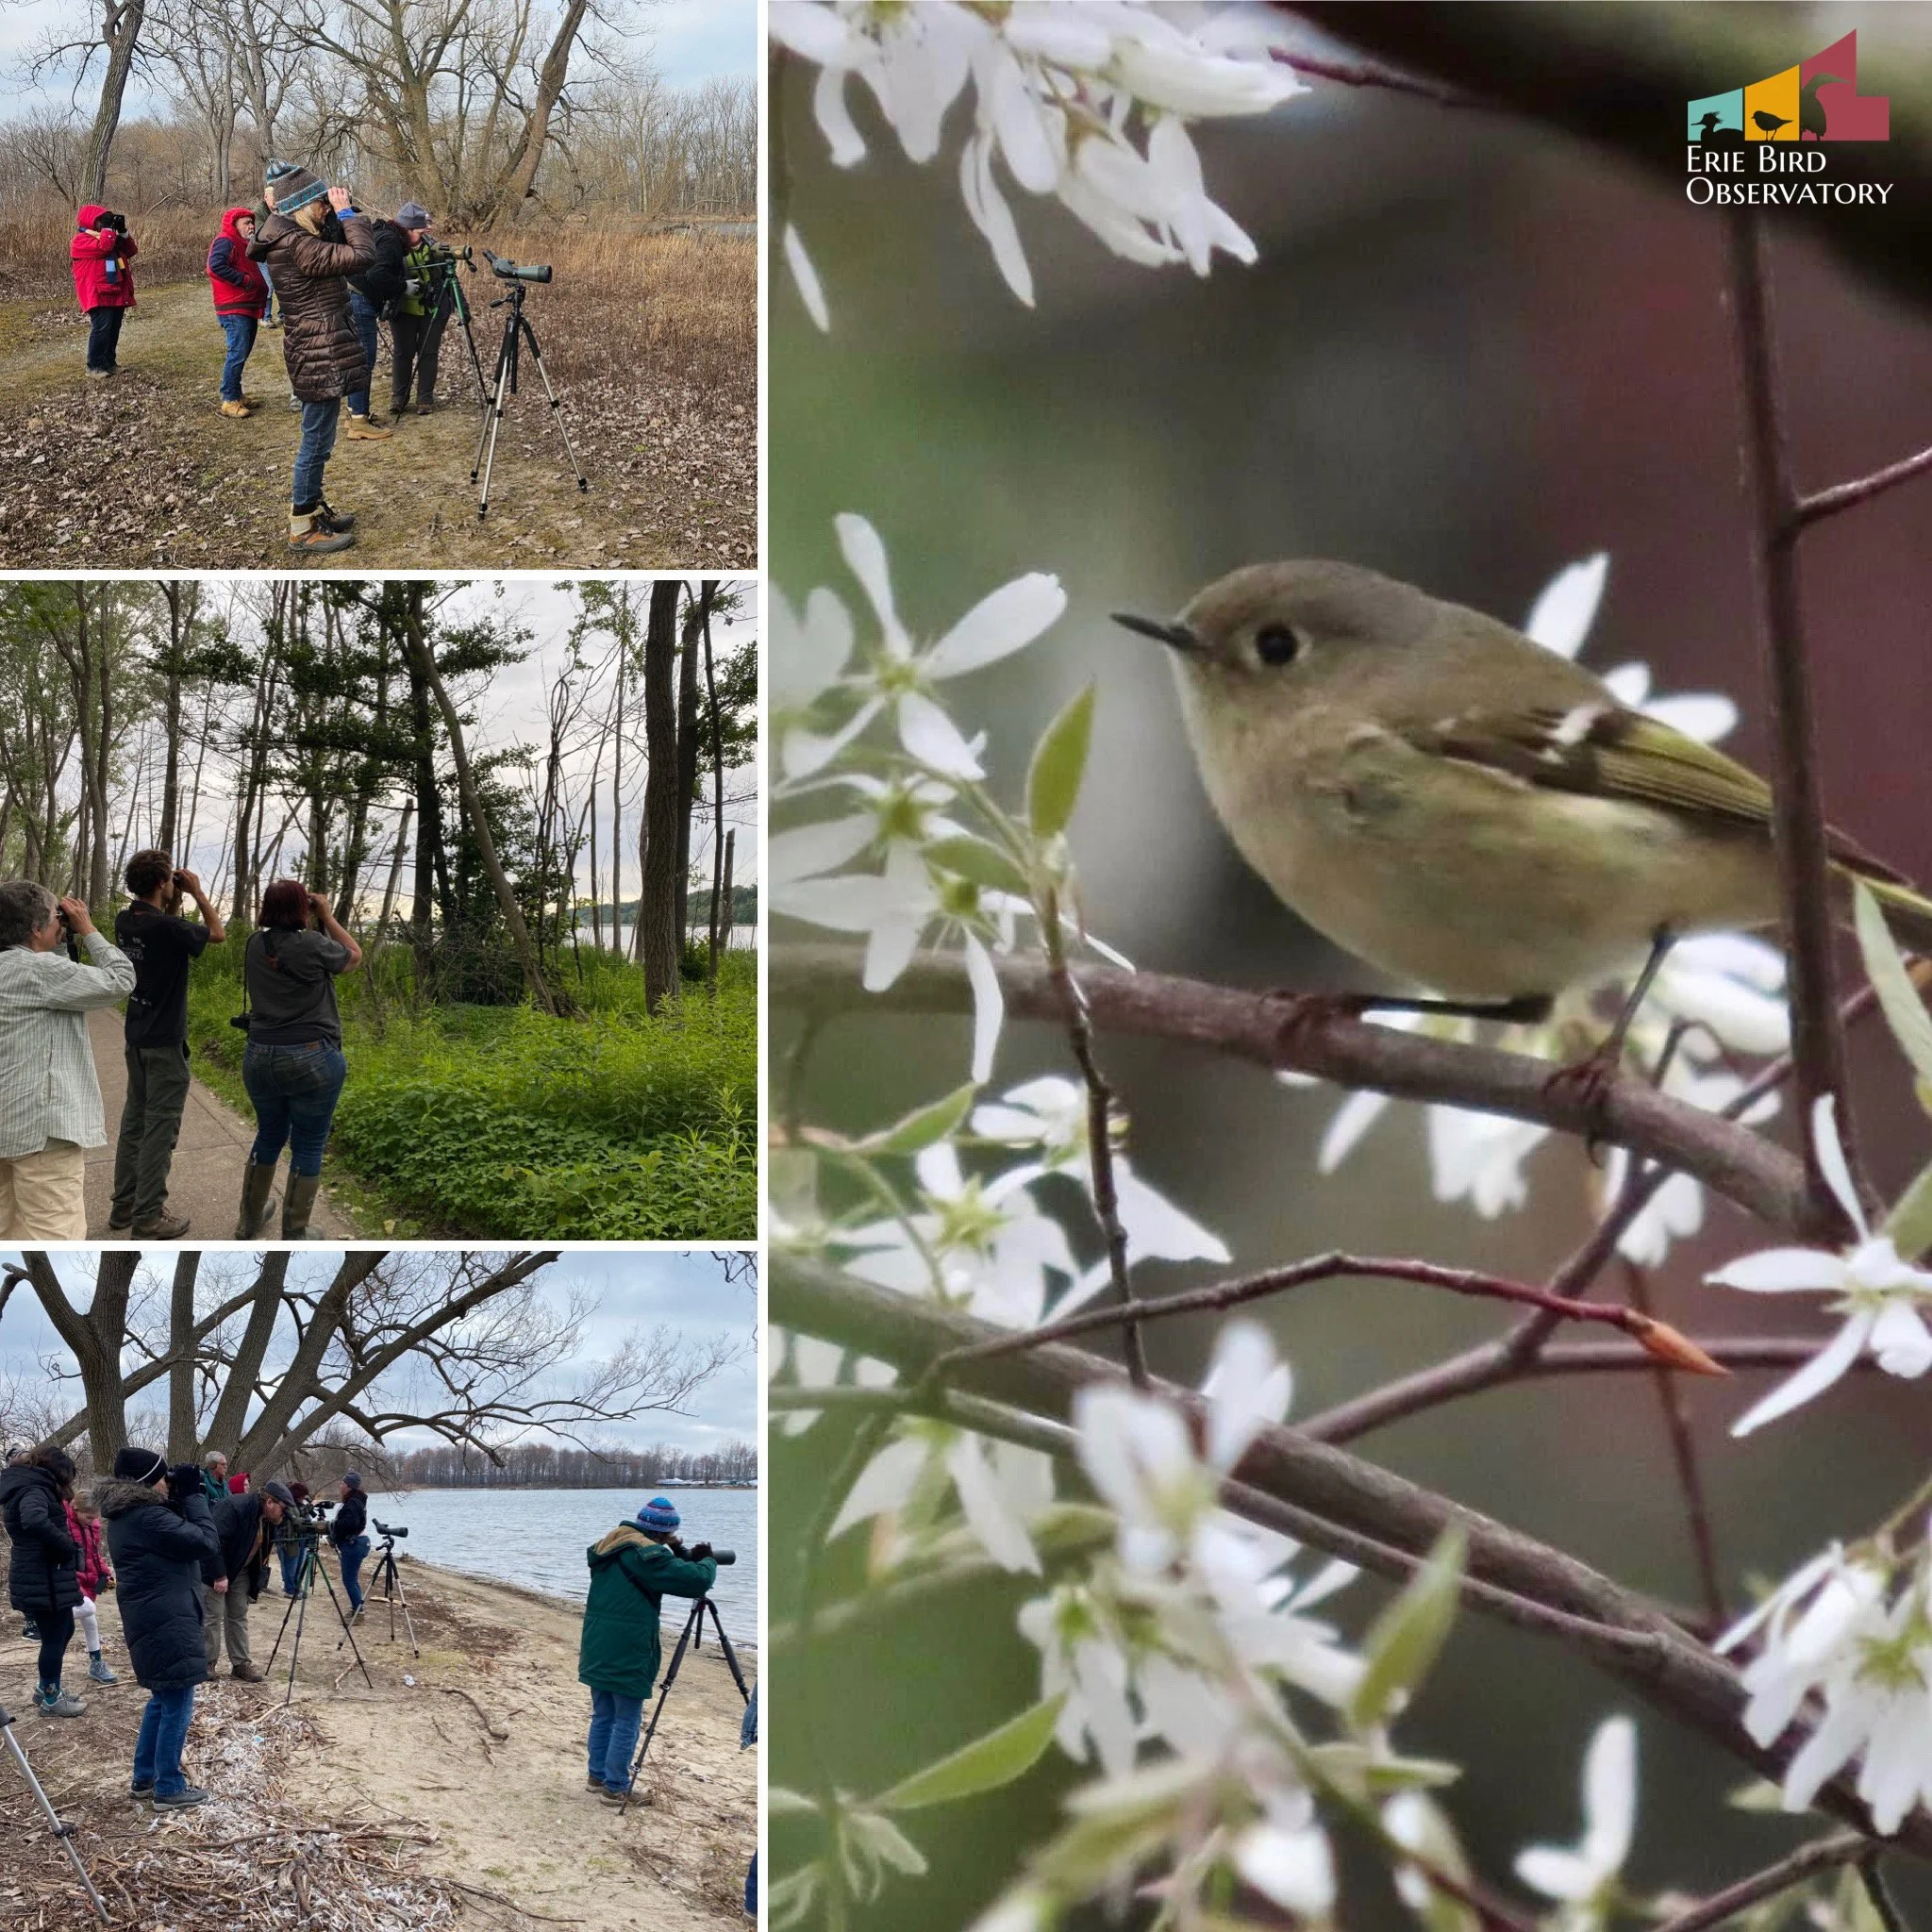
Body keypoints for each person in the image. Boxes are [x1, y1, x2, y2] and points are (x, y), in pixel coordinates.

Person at [248, 160, 379, 553]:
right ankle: (302, 528)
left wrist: (338, 215)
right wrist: (346, 214)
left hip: (317, 347)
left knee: (320, 438)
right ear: (303, 206)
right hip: (318, 350)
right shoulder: (296, 244)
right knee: (315, 441)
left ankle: (311, 509)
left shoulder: (291, 236)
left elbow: (342, 248)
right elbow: (361, 256)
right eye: (320, 202)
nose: (326, 207)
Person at [0, 880, 136, 1238]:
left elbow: (57, 981)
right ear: (35, 927)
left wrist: (57, 940)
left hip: (6, 1130)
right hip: (41, 1134)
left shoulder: (21, 969)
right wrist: (87, 930)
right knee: (56, 1236)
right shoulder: (40, 973)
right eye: (54, 917)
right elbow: (120, 980)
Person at [109, 851, 226, 1239]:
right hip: (165, 1042)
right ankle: (148, 1216)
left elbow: (164, 924)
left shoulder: (125, 920)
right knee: (161, 1127)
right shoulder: (168, 928)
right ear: (163, 882)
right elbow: (217, 933)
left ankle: (124, 1207)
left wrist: (173, 898)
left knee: (134, 1123)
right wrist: (198, 893)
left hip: (137, 1035)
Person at [236, 877, 361, 1239]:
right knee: (308, 1141)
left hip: (259, 1054)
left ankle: (250, 1221)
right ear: (301, 908)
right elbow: (354, 957)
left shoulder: (254, 944)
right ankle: (296, 1230)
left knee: (269, 1134)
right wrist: (328, 915)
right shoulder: (312, 944)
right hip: (311, 1057)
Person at [99, 1448, 220, 1807]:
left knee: (162, 1699)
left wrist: (181, 1496)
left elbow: (180, 1539)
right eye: (163, 1477)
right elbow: (206, 1543)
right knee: (178, 1699)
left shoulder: (131, 1516)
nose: (168, 1483)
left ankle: (145, 1777)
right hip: (167, 1620)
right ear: (148, 1482)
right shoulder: (148, 1517)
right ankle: (168, 1786)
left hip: (154, 1618)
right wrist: (195, 1495)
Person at [577, 1496, 718, 1805]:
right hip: (629, 1646)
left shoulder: (610, 1546)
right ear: (662, 1534)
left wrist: (677, 1553)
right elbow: (696, 1582)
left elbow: (663, 1570)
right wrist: (707, 1559)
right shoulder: (646, 1555)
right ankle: (616, 1787)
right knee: (627, 1718)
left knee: (603, 1713)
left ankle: (596, 1775)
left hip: (598, 1641)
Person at [0, 1444, 84, 1717]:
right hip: (42, 1575)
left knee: (65, 1629)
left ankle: (47, 1686)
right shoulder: (35, 1489)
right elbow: (34, 1520)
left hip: (46, 1574)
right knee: (54, 1636)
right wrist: (64, 1546)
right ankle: (50, 1699)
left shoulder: (30, 1486)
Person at [201, 1476, 290, 1682]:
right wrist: (219, 1574)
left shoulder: (268, 1519)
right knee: (212, 1616)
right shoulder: (234, 1507)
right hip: (214, 1569)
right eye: (283, 1508)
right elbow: (213, 1542)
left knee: (238, 1615)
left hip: (241, 1571)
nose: (284, 1514)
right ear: (270, 1502)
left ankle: (241, 1664)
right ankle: (207, 1662)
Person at [344, 200, 411, 436]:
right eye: (421, 231)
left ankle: (355, 411)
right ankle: (359, 422)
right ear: (410, 230)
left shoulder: (381, 234)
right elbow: (377, 273)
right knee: (364, 361)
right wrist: (403, 286)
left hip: (352, 297)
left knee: (357, 359)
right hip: (360, 301)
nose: (422, 237)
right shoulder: (392, 240)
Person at [206, 207, 270, 418]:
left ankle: (237, 394)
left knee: (242, 352)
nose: (251, 226)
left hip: (246, 306)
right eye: (246, 223)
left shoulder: (244, 244)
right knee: (237, 353)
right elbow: (214, 267)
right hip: (234, 307)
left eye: (252, 222)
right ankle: (229, 400)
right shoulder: (226, 241)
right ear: (234, 226)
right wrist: (244, 281)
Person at [387, 202, 442, 417]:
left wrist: (460, 307)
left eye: (423, 228)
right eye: (418, 229)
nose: (423, 232)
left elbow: (449, 278)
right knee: (403, 352)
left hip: (433, 308)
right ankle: (399, 397)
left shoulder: (435, 248)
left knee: (428, 352)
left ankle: (425, 398)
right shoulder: (393, 247)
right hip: (403, 308)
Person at [70, 205, 137, 377]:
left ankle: (109, 363)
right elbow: (104, 248)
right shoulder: (80, 240)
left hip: (114, 289)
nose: (103, 224)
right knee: (102, 327)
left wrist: (122, 232)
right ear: (91, 221)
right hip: (97, 292)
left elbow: (131, 250)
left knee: (114, 327)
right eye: (101, 220)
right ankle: (94, 366)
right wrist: (108, 229)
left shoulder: (108, 237)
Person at [67, 1492, 118, 1685]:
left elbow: (94, 1554)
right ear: (75, 1509)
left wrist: (105, 1574)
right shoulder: (65, 1525)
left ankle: (96, 1663)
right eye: (88, 1517)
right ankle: (50, 1617)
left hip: (88, 1579)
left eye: (95, 1518)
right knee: (88, 1608)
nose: (92, 1521)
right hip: (71, 1580)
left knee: (91, 1622)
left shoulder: (92, 1527)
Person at [329, 1472, 370, 1619]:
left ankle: (358, 1612)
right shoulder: (355, 1500)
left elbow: (350, 1523)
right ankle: (357, 1607)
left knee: (349, 1580)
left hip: (354, 1544)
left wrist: (333, 1525)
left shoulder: (353, 1502)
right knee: (351, 1578)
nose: (340, 1486)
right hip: (358, 1542)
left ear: (349, 1487)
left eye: (342, 1484)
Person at [276, 1481, 311, 1597]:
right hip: (289, 1538)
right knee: (290, 1565)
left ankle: (296, 1587)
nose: (303, 1499)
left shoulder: (298, 1505)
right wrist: (310, 1506)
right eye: (302, 1496)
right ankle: (290, 1590)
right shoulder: (288, 1505)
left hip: (299, 1537)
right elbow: (296, 1516)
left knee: (298, 1564)